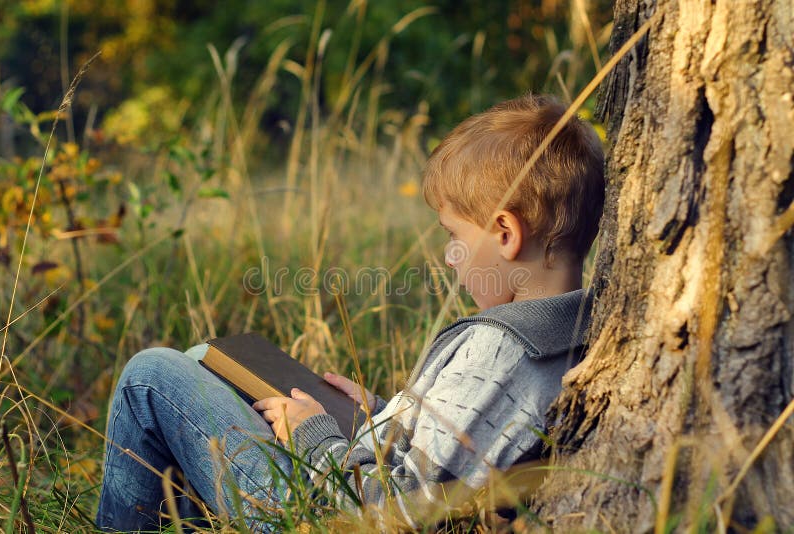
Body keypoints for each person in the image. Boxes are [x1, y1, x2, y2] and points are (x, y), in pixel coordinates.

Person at [96, 93, 605, 531]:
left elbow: (393, 508)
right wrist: (380, 415)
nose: (450, 255)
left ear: (505, 233)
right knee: (196, 369)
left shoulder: (502, 348)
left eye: (453, 234)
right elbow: (454, 456)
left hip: (320, 514)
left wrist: (315, 436)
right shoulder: (575, 336)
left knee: (154, 378)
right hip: (344, 484)